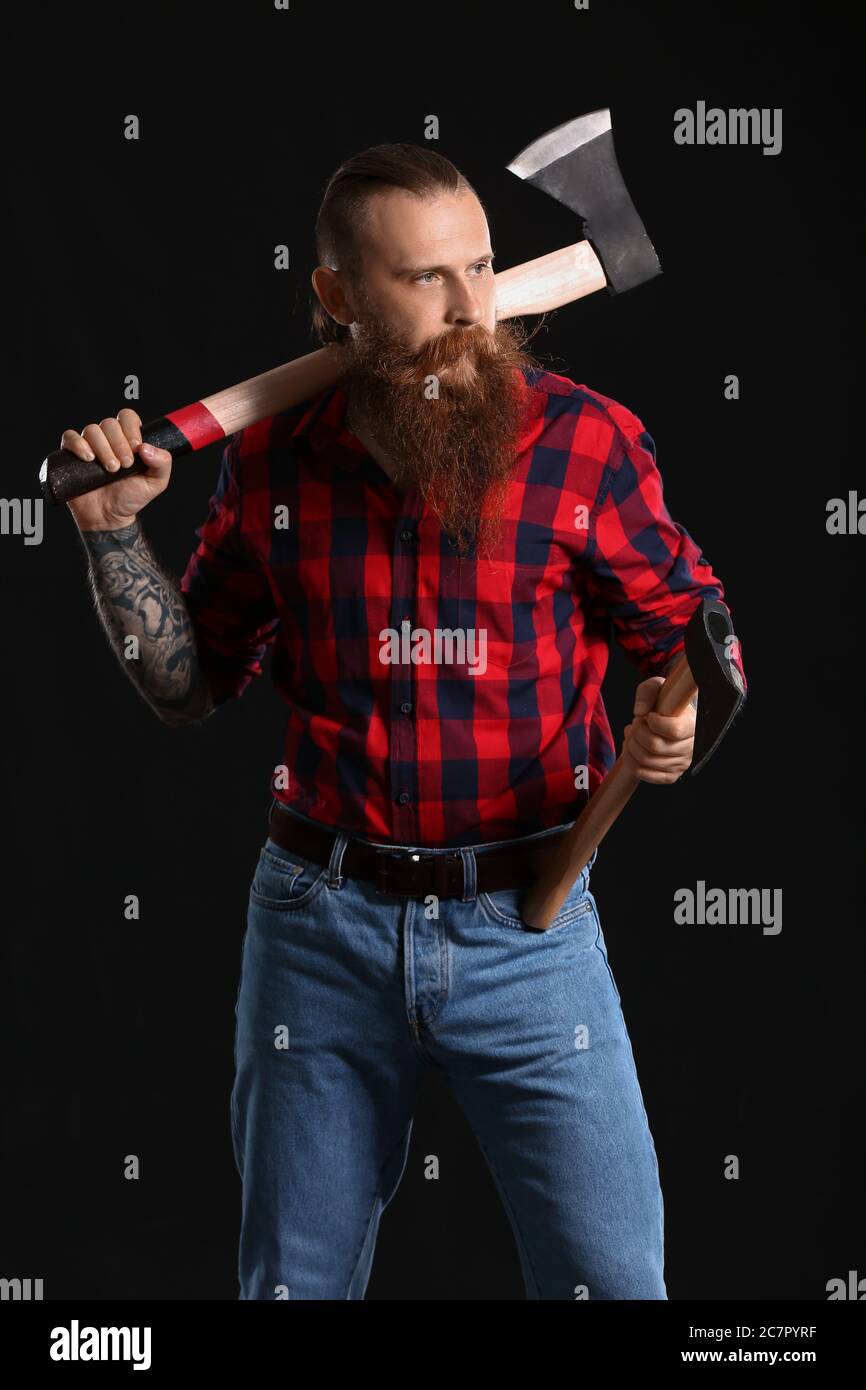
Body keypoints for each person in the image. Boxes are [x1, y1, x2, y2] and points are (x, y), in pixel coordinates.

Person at [62, 142, 747, 1300]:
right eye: (426, 278)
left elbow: (703, 633)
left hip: (530, 935)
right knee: (292, 1287)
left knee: (613, 1286)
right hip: (318, 932)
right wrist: (109, 532)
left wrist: (684, 718)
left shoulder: (582, 441)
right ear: (336, 296)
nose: (473, 308)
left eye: (482, 266)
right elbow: (187, 684)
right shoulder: (274, 459)